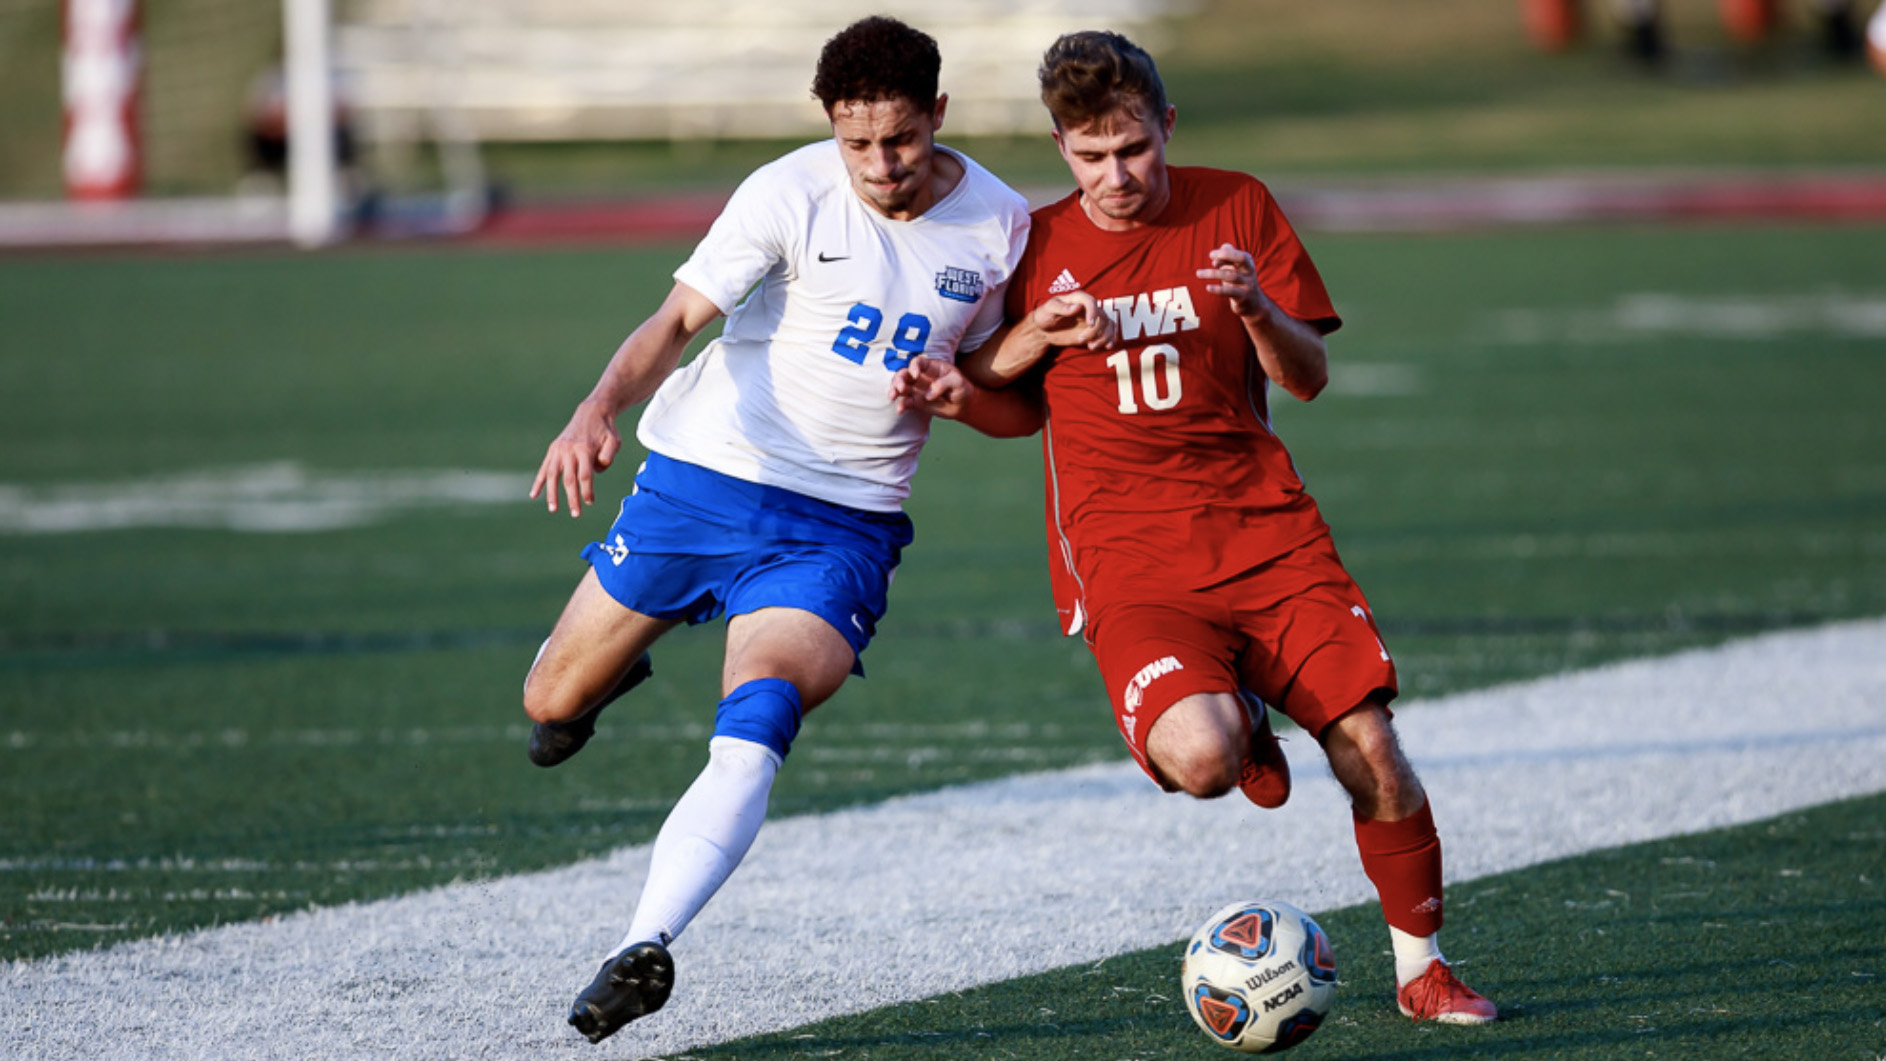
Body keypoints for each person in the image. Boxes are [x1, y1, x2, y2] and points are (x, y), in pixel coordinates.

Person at [894, 30, 1499, 1025]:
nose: (1115, 174)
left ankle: (1420, 968)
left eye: (1131, 148)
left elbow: (1305, 378)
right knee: (1204, 761)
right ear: (1058, 146)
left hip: (1267, 534)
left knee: (1373, 748)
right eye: (1090, 156)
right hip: (1129, 561)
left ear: (1164, 127)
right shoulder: (1028, 242)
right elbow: (1015, 408)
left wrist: (1258, 309)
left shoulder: (1236, 204)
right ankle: (1242, 718)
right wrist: (977, 380)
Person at [521, 16, 1097, 1045]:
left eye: (901, 140)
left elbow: (1021, 406)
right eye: (855, 141)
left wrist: (961, 394)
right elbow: (673, 325)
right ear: (829, 128)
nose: (879, 165)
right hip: (700, 483)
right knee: (548, 701)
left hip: (839, 528)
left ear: (939, 117)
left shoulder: (1000, 223)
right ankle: (606, 677)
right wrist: (593, 408)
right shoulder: (786, 190)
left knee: (758, 716)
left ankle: (645, 941)